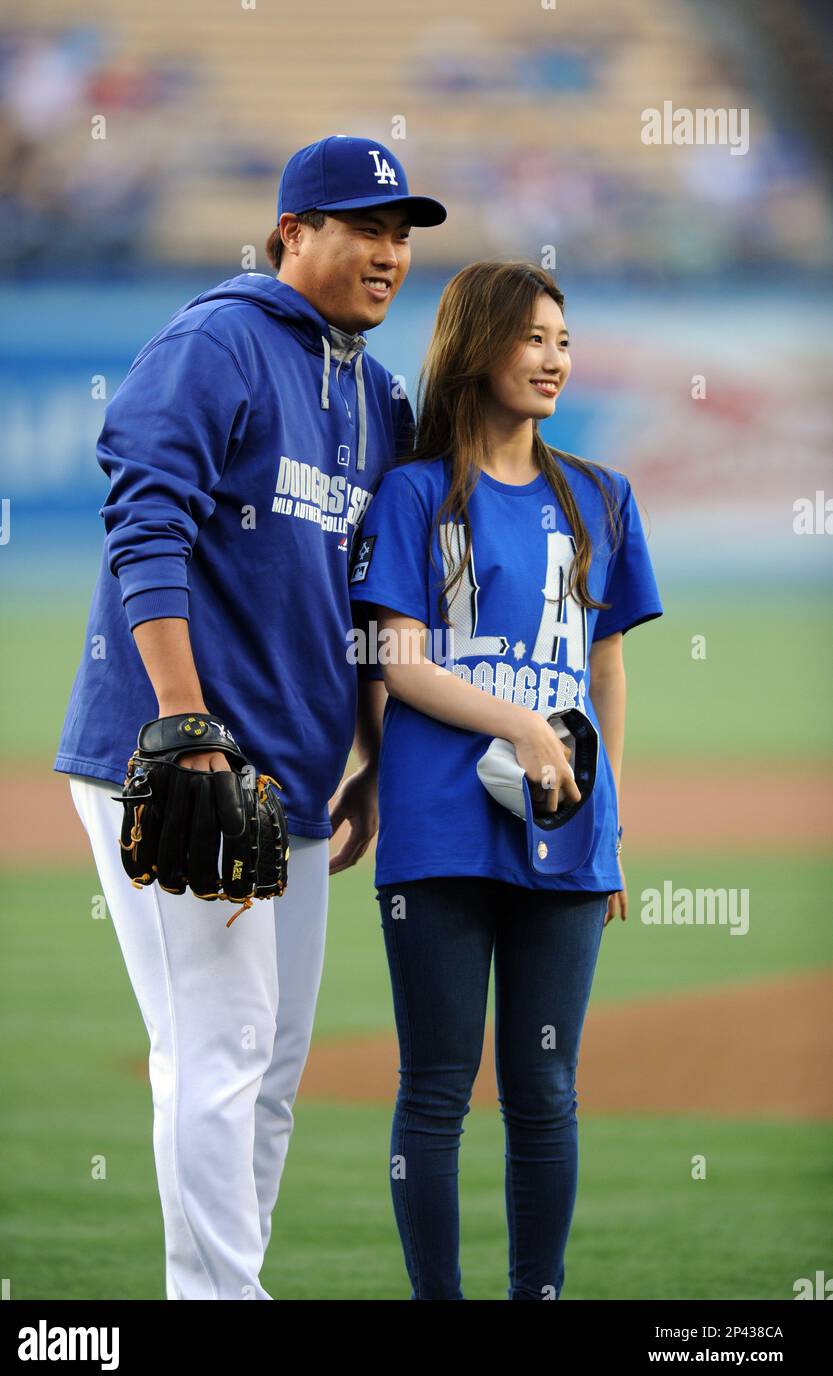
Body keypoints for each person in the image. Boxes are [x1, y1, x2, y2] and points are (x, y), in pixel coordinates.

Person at [52, 134, 446, 1300]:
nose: (388, 253)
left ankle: (227, 1285)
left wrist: (371, 749)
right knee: (216, 1046)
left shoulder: (378, 395)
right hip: (177, 756)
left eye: (401, 234)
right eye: (363, 228)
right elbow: (146, 524)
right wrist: (183, 725)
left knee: (268, 1066)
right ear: (291, 234)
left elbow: (368, 593)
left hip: (299, 778)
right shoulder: (216, 341)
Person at [347, 259, 664, 1300]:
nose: (553, 359)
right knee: (435, 1091)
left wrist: (608, 823)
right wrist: (521, 723)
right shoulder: (412, 494)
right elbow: (398, 664)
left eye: (562, 342)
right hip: (437, 829)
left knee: (545, 1092)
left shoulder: (601, 497)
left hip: (565, 832)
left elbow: (606, 671)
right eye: (532, 338)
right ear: (477, 347)